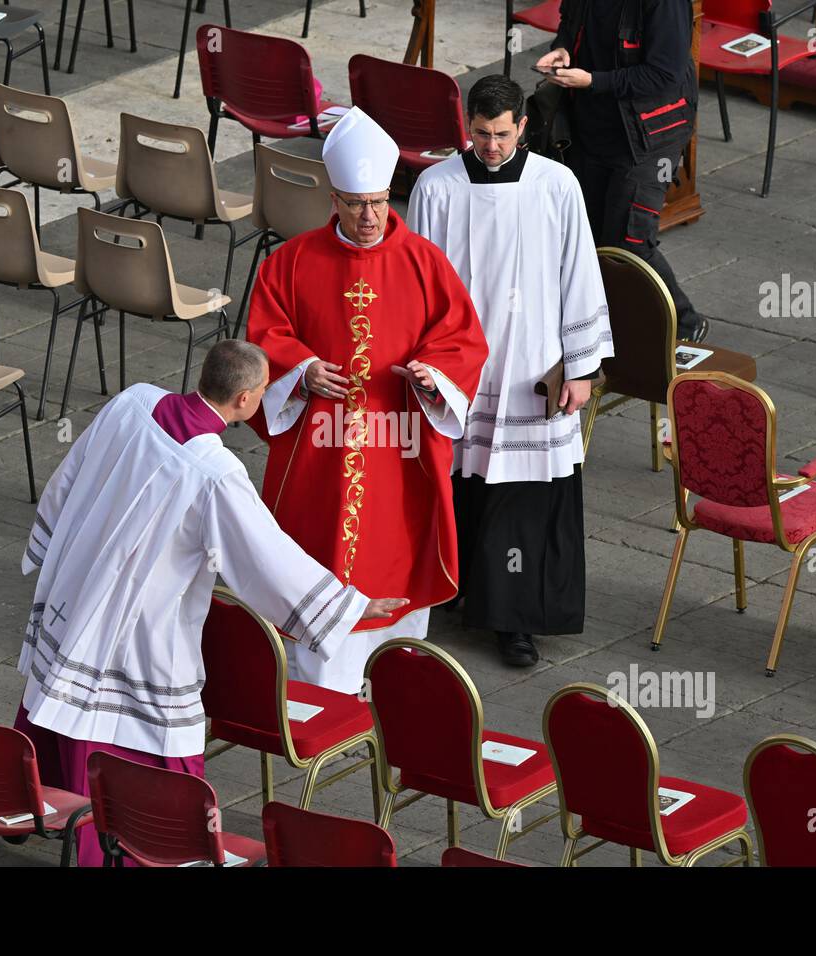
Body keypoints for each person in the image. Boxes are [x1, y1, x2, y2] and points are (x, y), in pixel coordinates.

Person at [12, 339, 406, 866]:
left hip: (78, 590)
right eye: (264, 391)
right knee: (136, 734)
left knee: (64, 706)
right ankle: (141, 847)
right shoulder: (214, 473)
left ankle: (42, 808)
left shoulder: (132, 401)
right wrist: (350, 606)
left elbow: (71, 474)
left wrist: (49, 545)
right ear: (245, 399)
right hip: (137, 625)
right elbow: (266, 557)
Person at [246, 107, 488, 694]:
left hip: (397, 444)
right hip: (320, 445)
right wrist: (301, 372)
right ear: (334, 198)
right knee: (317, 555)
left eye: (379, 202)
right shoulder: (292, 261)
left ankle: (396, 685)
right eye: (356, 204)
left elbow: (462, 338)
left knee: (395, 556)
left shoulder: (423, 262)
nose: (369, 216)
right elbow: (261, 338)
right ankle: (317, 695)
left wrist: (432, 376)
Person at [409, 74, 612, 667]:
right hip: (458, 368)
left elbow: (579, 274)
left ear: (523, 127)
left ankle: (513, 621)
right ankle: (458, 585)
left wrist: (581, 368)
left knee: (521, 494)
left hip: (530, 365)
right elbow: (418, 284)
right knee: (462, 483)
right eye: (479, 134)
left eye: (501, 134)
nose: (490, 146)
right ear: (465, 127)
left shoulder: (557, 185)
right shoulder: (436, 187)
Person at [537, 0, 710, 342]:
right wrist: (562, 49)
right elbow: (570, 24)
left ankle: (686, 324)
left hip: (650, 135)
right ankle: (603, 323)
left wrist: (593, 81)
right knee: (587, 234)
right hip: (591, 126)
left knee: (630, 241)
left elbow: (664, 73)